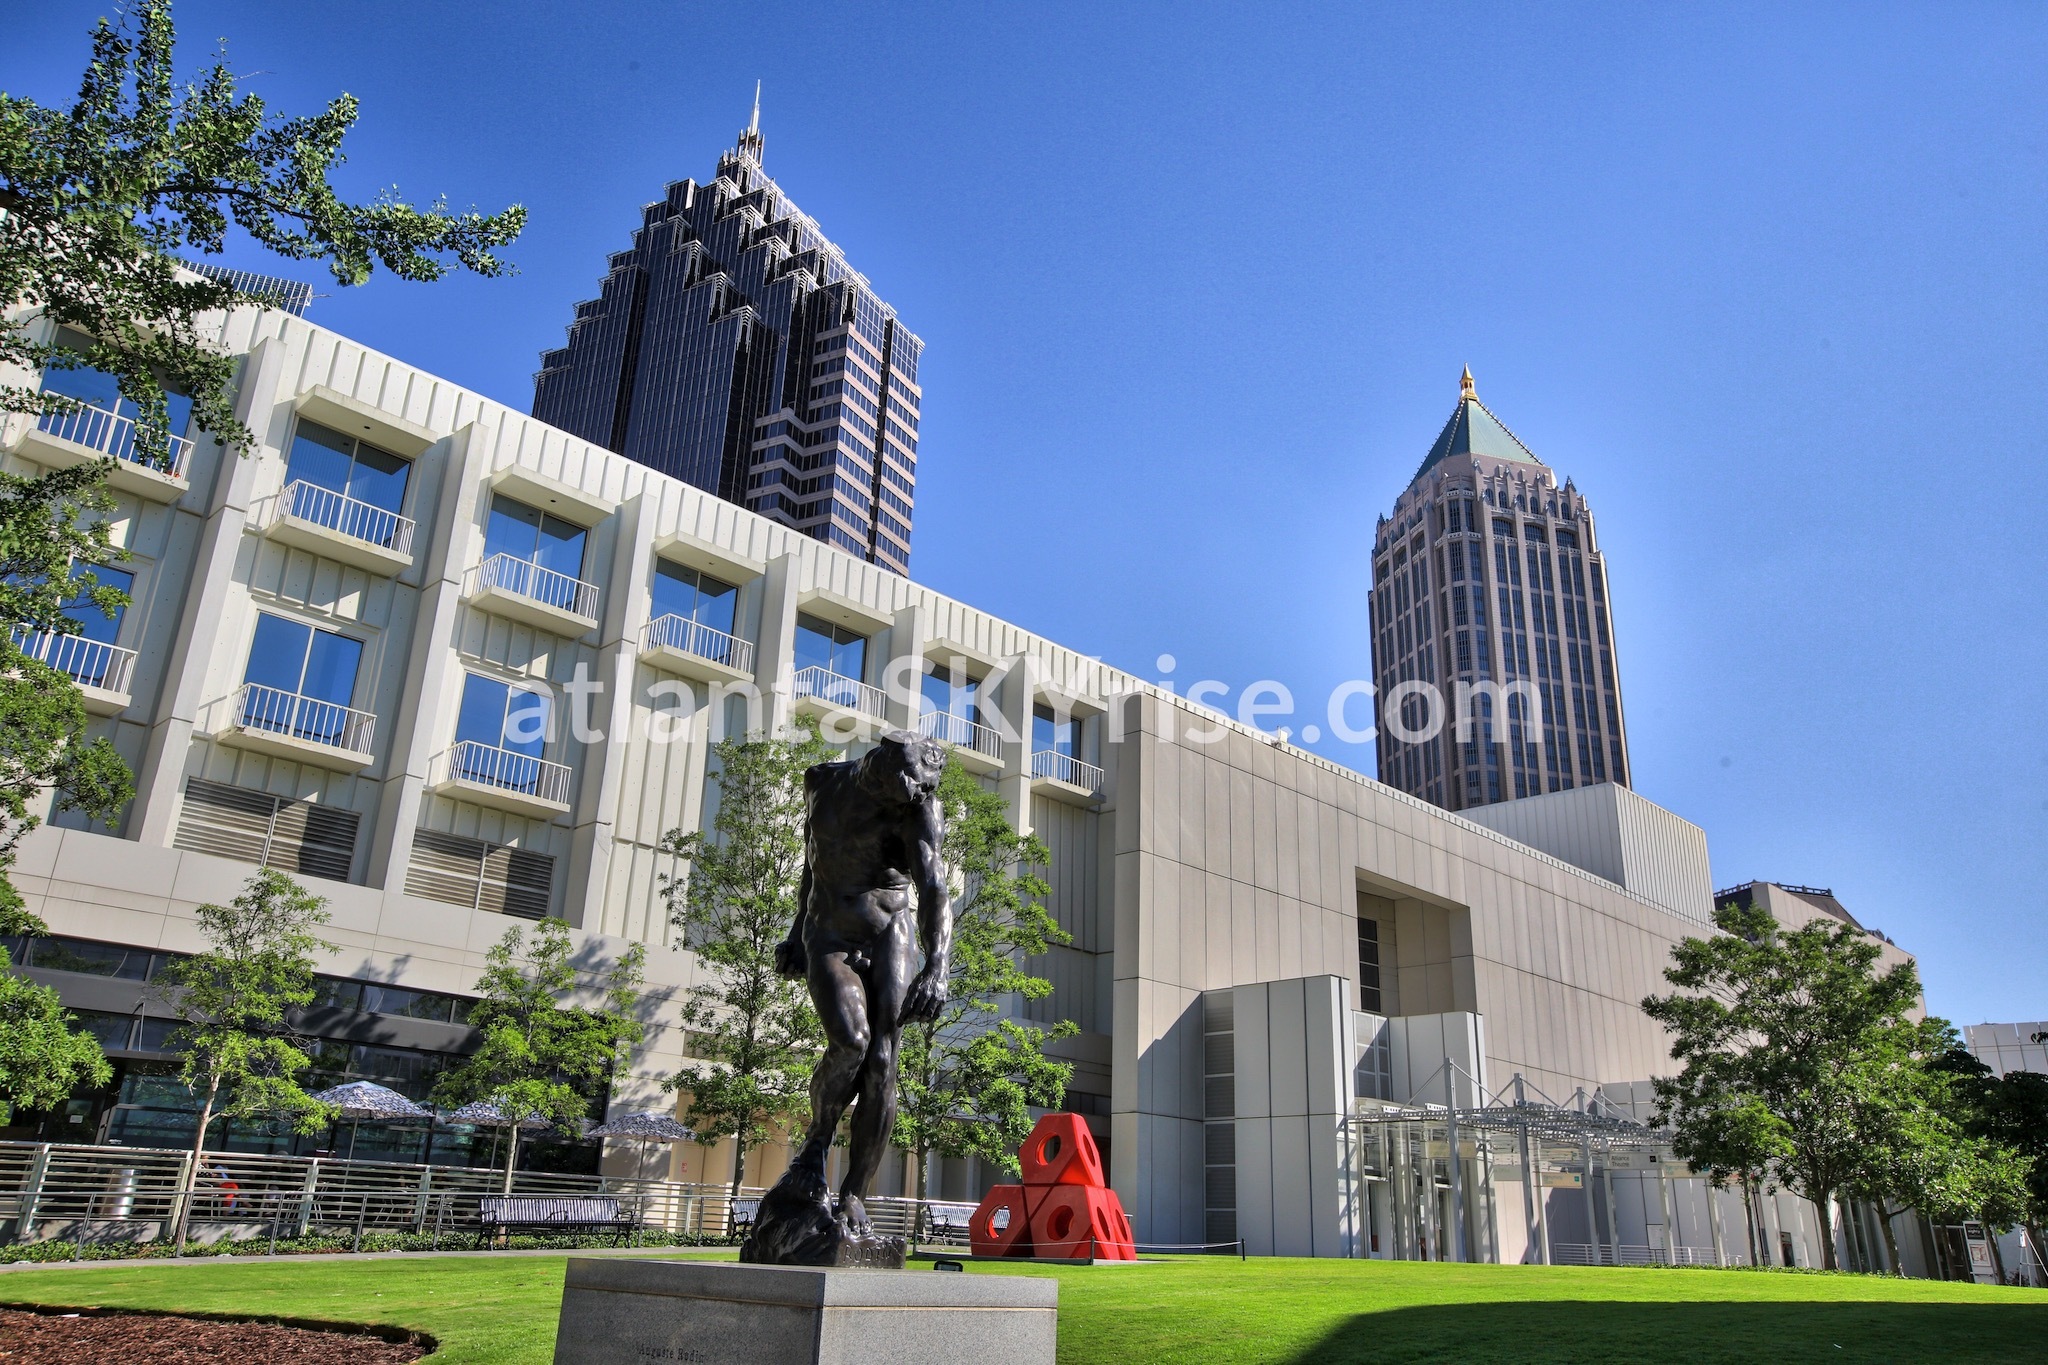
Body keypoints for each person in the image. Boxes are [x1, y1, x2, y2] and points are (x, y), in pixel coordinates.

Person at [759, 729, 951, 1251]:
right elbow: (813, 859)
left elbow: (934, 887)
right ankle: (816, 1145)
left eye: (923, 789)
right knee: (850, 1042)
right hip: (828, 932)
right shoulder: (821, 782)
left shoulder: (919, 808)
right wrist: (795, 931)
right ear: (882, 761)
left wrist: (938, 965)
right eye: (908, 784)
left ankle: (853, 1193)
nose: (914, 796)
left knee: (883, 1060)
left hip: (890, 930)